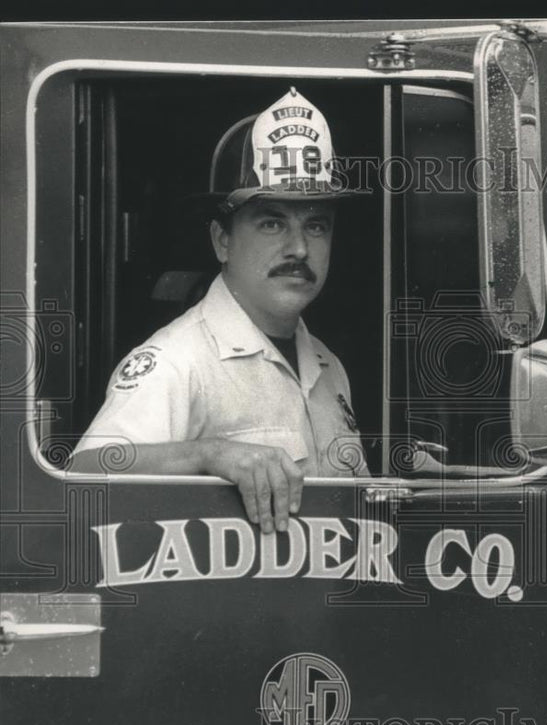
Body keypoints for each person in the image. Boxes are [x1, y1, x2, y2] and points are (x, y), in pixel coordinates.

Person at [71, 88, 368, 533]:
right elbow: (82, 474)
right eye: (272, 222)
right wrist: (209, 453)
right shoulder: (179, 360)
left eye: (316, 226)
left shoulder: (329, 368)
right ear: (222, 240)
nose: (300, 248)